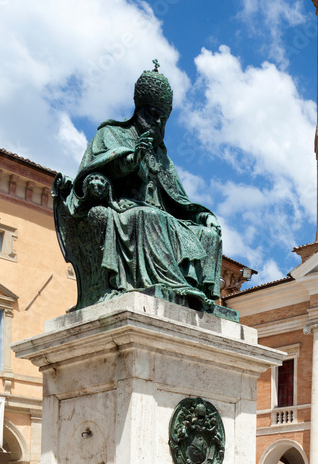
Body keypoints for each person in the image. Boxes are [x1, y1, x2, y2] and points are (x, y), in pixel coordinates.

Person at [55, 62, 222, 311]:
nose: (157, 121)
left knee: (208, 235)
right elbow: (97, 171)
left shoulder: (163, 158)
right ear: (139, 109)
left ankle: (196, 295)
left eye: (162, 117)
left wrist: (204, 216)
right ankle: (172, 285)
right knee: (150, 216)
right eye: (153, 113)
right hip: (124, 208)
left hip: (164, 219)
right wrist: (132, 160)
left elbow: (180, 201)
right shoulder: (112, 133)